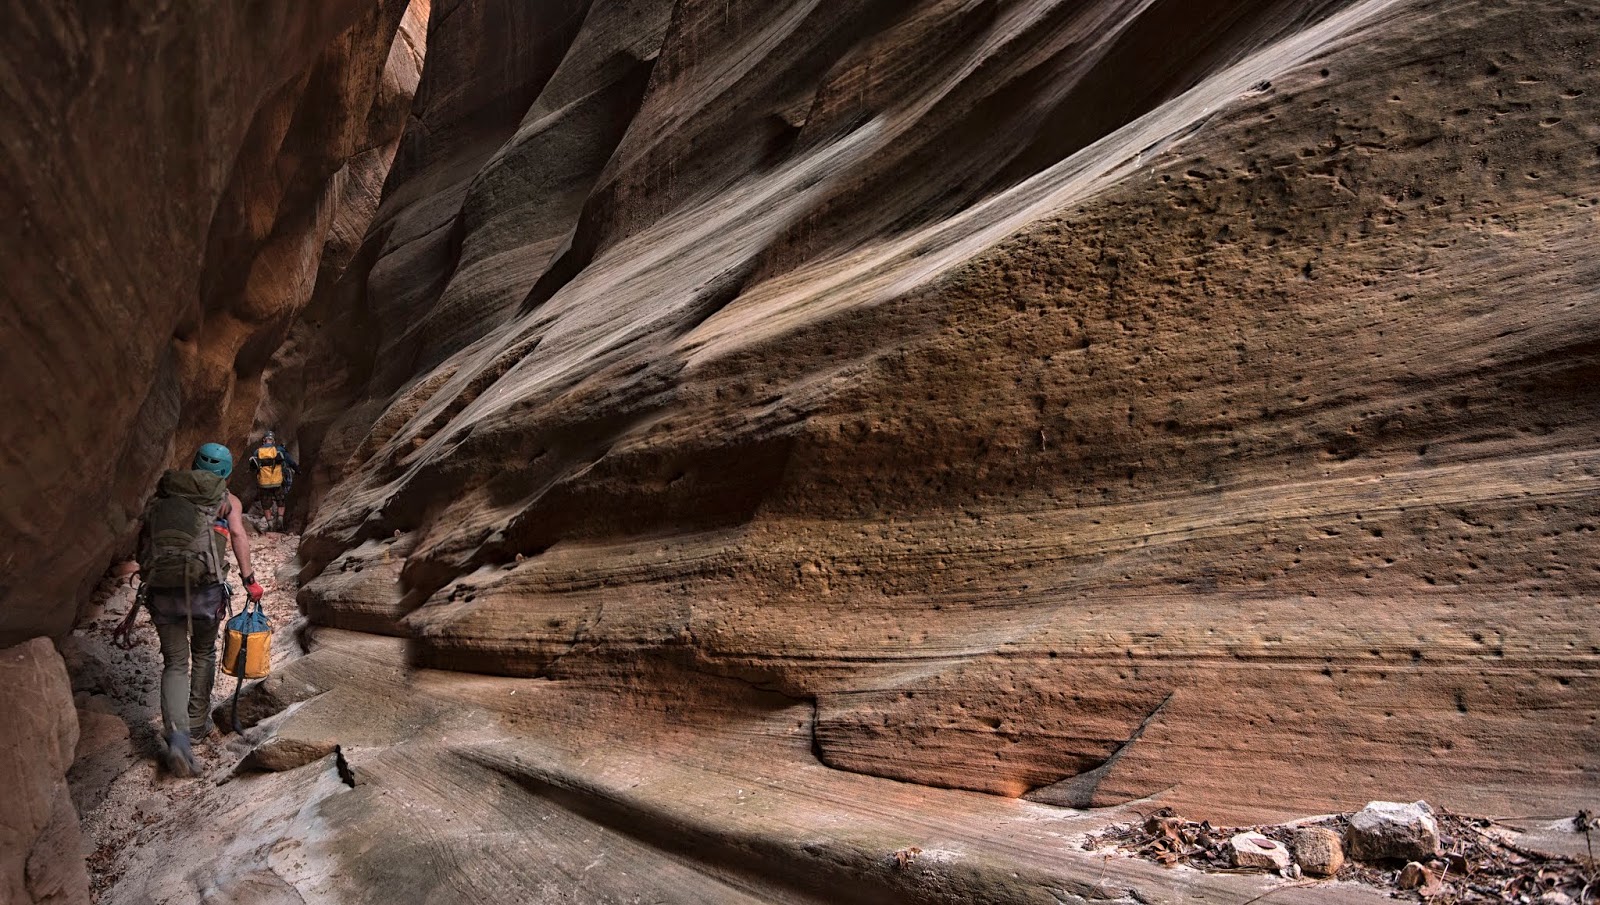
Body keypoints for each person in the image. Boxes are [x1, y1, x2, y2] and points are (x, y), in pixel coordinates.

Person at [116, 442, 263, 776]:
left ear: (194, 464)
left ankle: (178, 738)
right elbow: (238, 536)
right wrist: (249, 580)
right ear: (225, 472)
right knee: (204, 653)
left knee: (175, 663)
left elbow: (143, 546)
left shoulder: (163, 498)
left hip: (162, 592)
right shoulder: (228, 501)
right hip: (205, 594)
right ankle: (197, 725)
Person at [247, 430, 298, 530]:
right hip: (277, 482)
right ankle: (280, 520)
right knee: (281, 501)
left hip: (264, 484)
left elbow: (253, 468)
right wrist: (296, 470)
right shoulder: (278, 451)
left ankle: (270, 525)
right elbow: (288, 463)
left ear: (264, 440)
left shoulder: (257, 452)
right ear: (273, 441)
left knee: (266, 505)